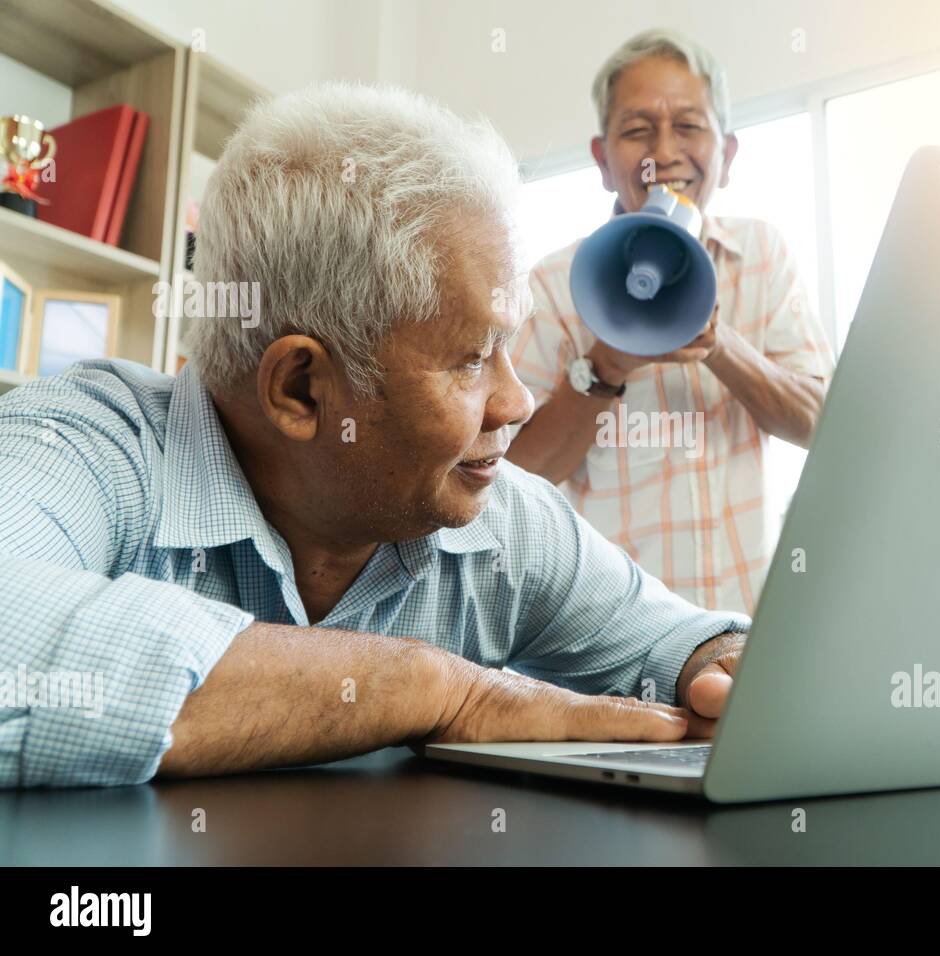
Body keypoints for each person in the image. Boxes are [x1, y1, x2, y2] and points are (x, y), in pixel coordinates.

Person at [0, 83, 748, 789]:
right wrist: (433, 689)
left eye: (506, 347)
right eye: (468, 359)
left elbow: (686, 645)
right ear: (300, 387)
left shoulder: (505, 520)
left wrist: (723, 664)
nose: (516, 401)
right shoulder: (84, 442)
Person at [508, 29, 835, 615]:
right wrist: (602, 367)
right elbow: (514, 478)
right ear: (603, 161)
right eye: (636, 131)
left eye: (688, 125)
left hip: (744, 624)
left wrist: (718, 343)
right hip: (608, 638)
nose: (664, 151)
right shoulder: (555, 285)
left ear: (726, 156)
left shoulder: (761, 255)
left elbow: (821, 423)